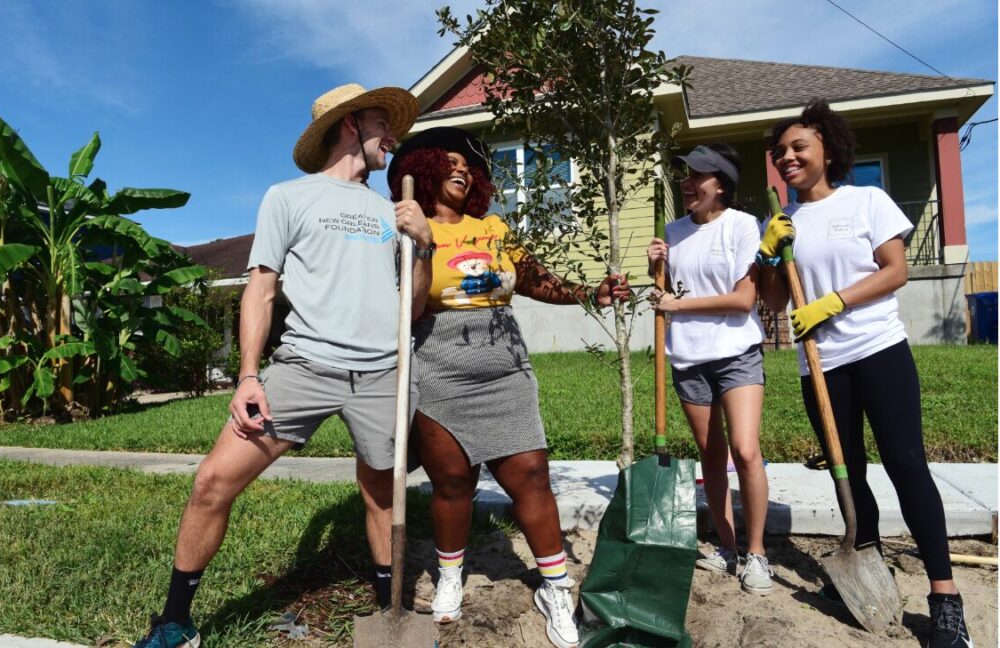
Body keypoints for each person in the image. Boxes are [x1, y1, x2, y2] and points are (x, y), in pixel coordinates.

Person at [131, 84, 436, 648]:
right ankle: (176, 621)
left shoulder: (392, 209)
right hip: (304, 366)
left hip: (382, 374)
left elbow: (411, 307)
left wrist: (423, 246)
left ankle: (387, 612)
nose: (394, 138)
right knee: (211, 482)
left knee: (380, 494)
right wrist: (249, 373)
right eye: (382, 125)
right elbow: (261, 289)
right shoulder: (288, 198)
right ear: (350, 125)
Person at [387, 127, 630, 648]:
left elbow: (537, 279)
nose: (462, 169)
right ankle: (451, 575)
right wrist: (423, 246)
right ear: (425, 169)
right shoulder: (409, 231)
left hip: (504, 367)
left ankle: (555, 587)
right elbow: (411, 311)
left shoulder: (493, 227)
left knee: (531, 477)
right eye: (448, 162)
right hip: (439, 366)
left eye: (467, 164)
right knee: (453, 483)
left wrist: (591, 293)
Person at [758, 99, 972, 648]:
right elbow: (776, 299)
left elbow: (895, 270)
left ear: (827, 148)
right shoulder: (785, 222)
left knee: (905, 464)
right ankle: (866, 565)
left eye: (798, 147)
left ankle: (945, 597)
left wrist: (831, 304)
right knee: (847, 471)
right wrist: (768, 255)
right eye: (780, 152)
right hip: (823, 366)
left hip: (878, 349)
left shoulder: (867, 200)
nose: (787, 158)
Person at [646, 143, 774, 596]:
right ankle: (728, 547)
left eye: (697, 175)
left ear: (721, 185)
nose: (686, 182)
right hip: (688, 356)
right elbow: (664, 289)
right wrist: (654, 264)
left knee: (744, 449)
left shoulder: (743, 226)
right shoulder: (673, 230)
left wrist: (677, 304)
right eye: (684, 174)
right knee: (711, 456)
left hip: (736, 351)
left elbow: (743, 300)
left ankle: (757, 554)